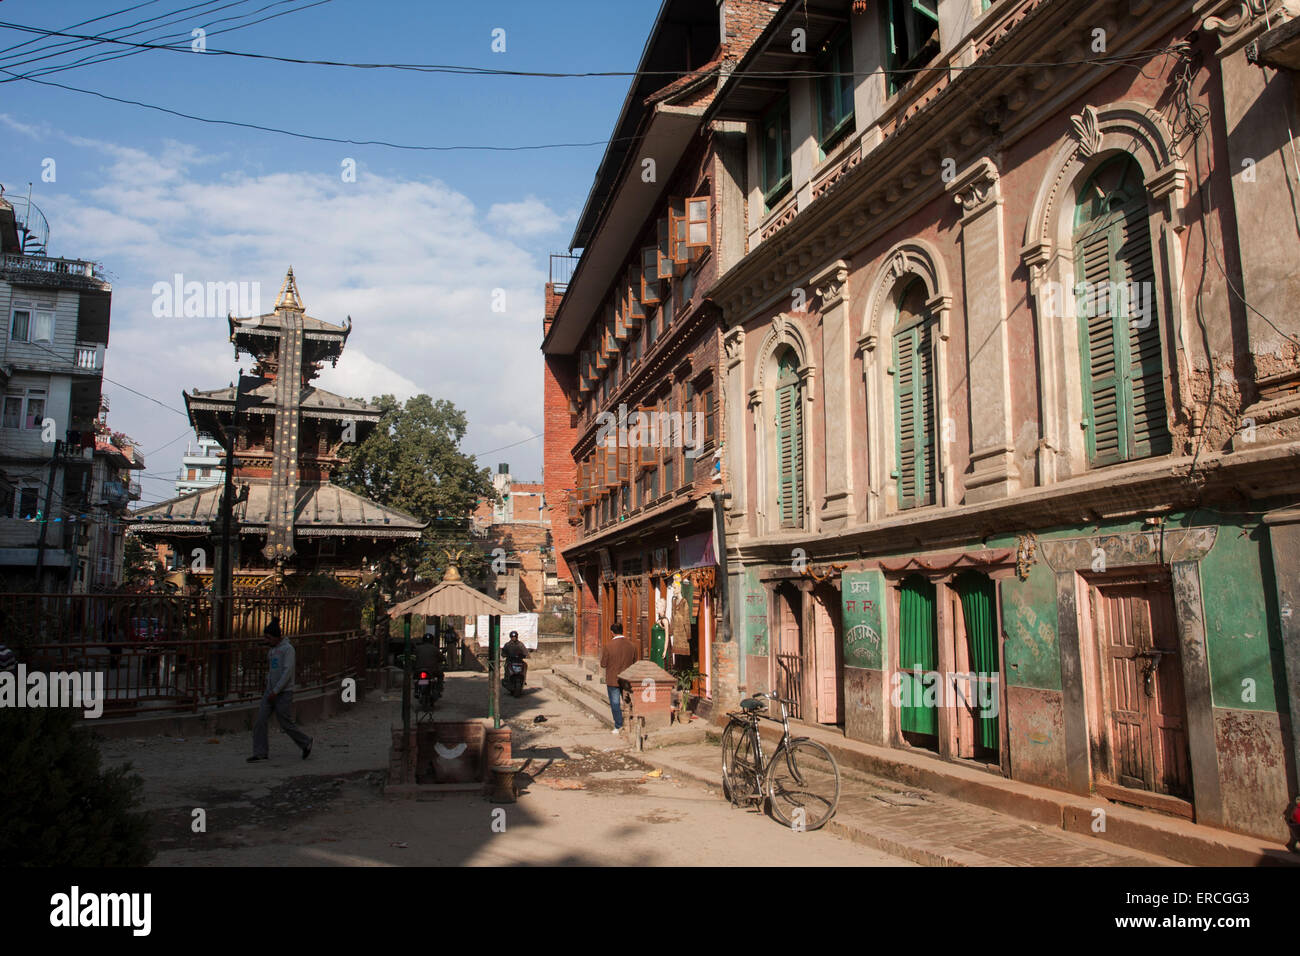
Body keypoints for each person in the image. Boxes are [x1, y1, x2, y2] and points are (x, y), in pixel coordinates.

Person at [248, 617, 313, 763]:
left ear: (277, 637)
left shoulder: (288, 650)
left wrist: (276, 690)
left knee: (285, 723)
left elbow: (287, 672)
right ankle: (260, 752)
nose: (267, 640)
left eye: (268, 637)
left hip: (283, 692)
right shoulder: (272, 651)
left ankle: (305, 742)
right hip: (270, 691)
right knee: (260, 721)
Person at [598, 622, 638, 734]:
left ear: (612, 632)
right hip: (627, 679)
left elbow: (603, 664)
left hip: (613, 679)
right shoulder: (632, 645)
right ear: (622, 630)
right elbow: (635, 662)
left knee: (615, 703)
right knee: (628, 701)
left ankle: (619, 725)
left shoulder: (608, 646)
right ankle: (631, 723)